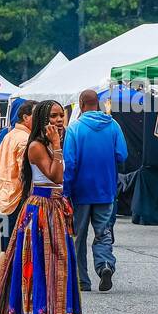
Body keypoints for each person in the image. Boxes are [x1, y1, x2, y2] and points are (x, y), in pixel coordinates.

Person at [0, 100, 87, 314]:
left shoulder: (52, 142)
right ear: (42, 118)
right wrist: (56, 146)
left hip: (55, 208)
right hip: (40, 210)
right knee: (37, 267)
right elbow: (55, 175)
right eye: (53, 116)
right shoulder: (34, 146)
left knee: (59, 266)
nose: (59, 120)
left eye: (61, 116)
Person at [62, 89, 128, 292]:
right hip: (106, 190)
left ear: (81, 104)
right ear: (97, 104)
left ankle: (82, 280)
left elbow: (69, 163)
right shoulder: (113, 125)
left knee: (78, 237)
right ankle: (105, 265)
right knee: (103, 233)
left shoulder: (74, 129)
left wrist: (66, 190)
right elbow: (122, 155)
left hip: (80, 192)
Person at [0, 100, 34, 302]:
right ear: (25, 117)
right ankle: (3, 288)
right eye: (36, 115)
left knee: (4, 245)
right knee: (17, 246)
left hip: (3, 201)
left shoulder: (8, 136)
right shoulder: (24, 139)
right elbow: (26, 173)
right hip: (17, 199)